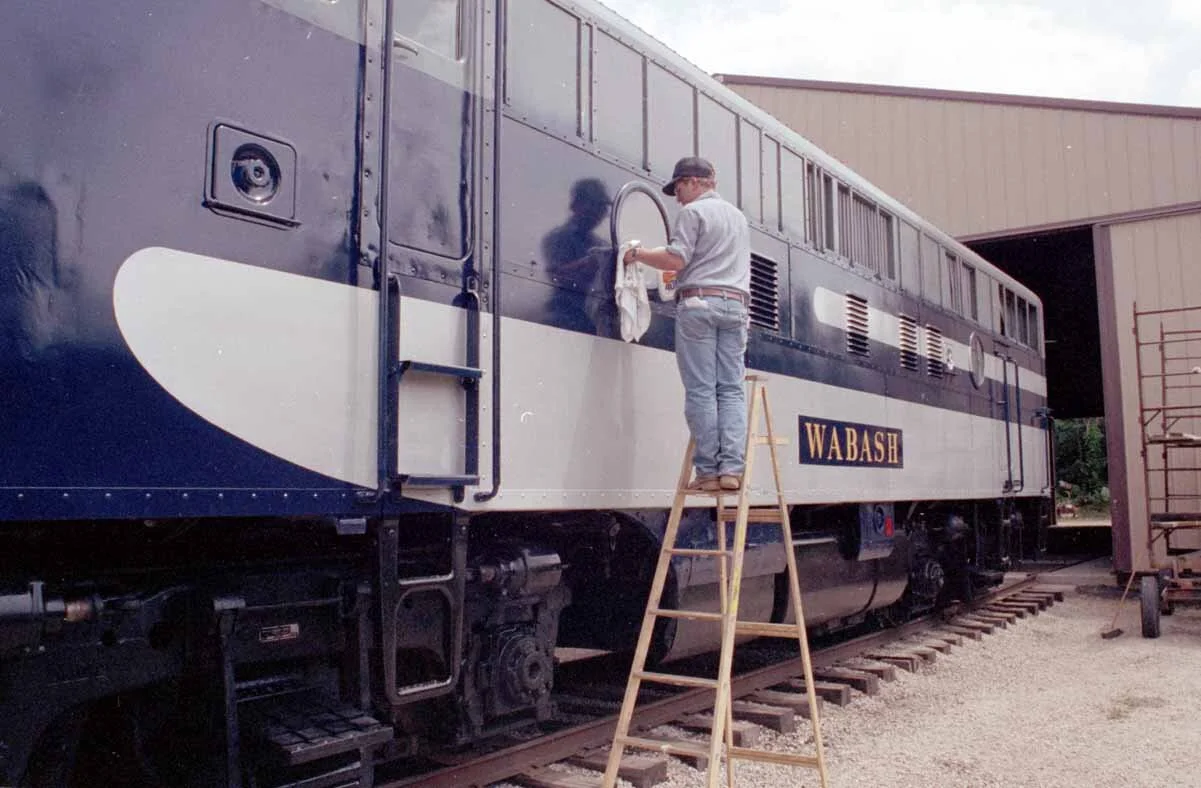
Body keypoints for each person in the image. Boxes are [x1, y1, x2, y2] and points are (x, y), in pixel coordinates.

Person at [623, 157, 751, 492]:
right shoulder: (738, 218)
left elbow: (676, 260)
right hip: (736, 307)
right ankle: (731, 470)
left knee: (701, 389)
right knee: (731, 388)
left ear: (694, 182)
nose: (677, 197)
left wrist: (638, 254)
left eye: (678, 188)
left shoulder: (693, 213)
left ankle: (708, 472)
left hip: (699, 304)